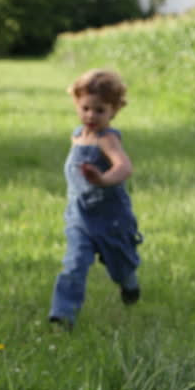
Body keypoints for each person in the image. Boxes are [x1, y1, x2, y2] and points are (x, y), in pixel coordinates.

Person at [49, 69, 143, 331]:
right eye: (85, 108)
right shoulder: (77, 135)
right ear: (77, 104)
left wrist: (102, 179)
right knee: (74, 264)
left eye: (99, 110)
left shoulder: (108, 140)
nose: (91, 115)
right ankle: (63, 315)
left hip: (111, 218)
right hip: (80, 218)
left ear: (113, 111)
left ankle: (129, 283)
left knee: (120, 265)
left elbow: (124, 168)